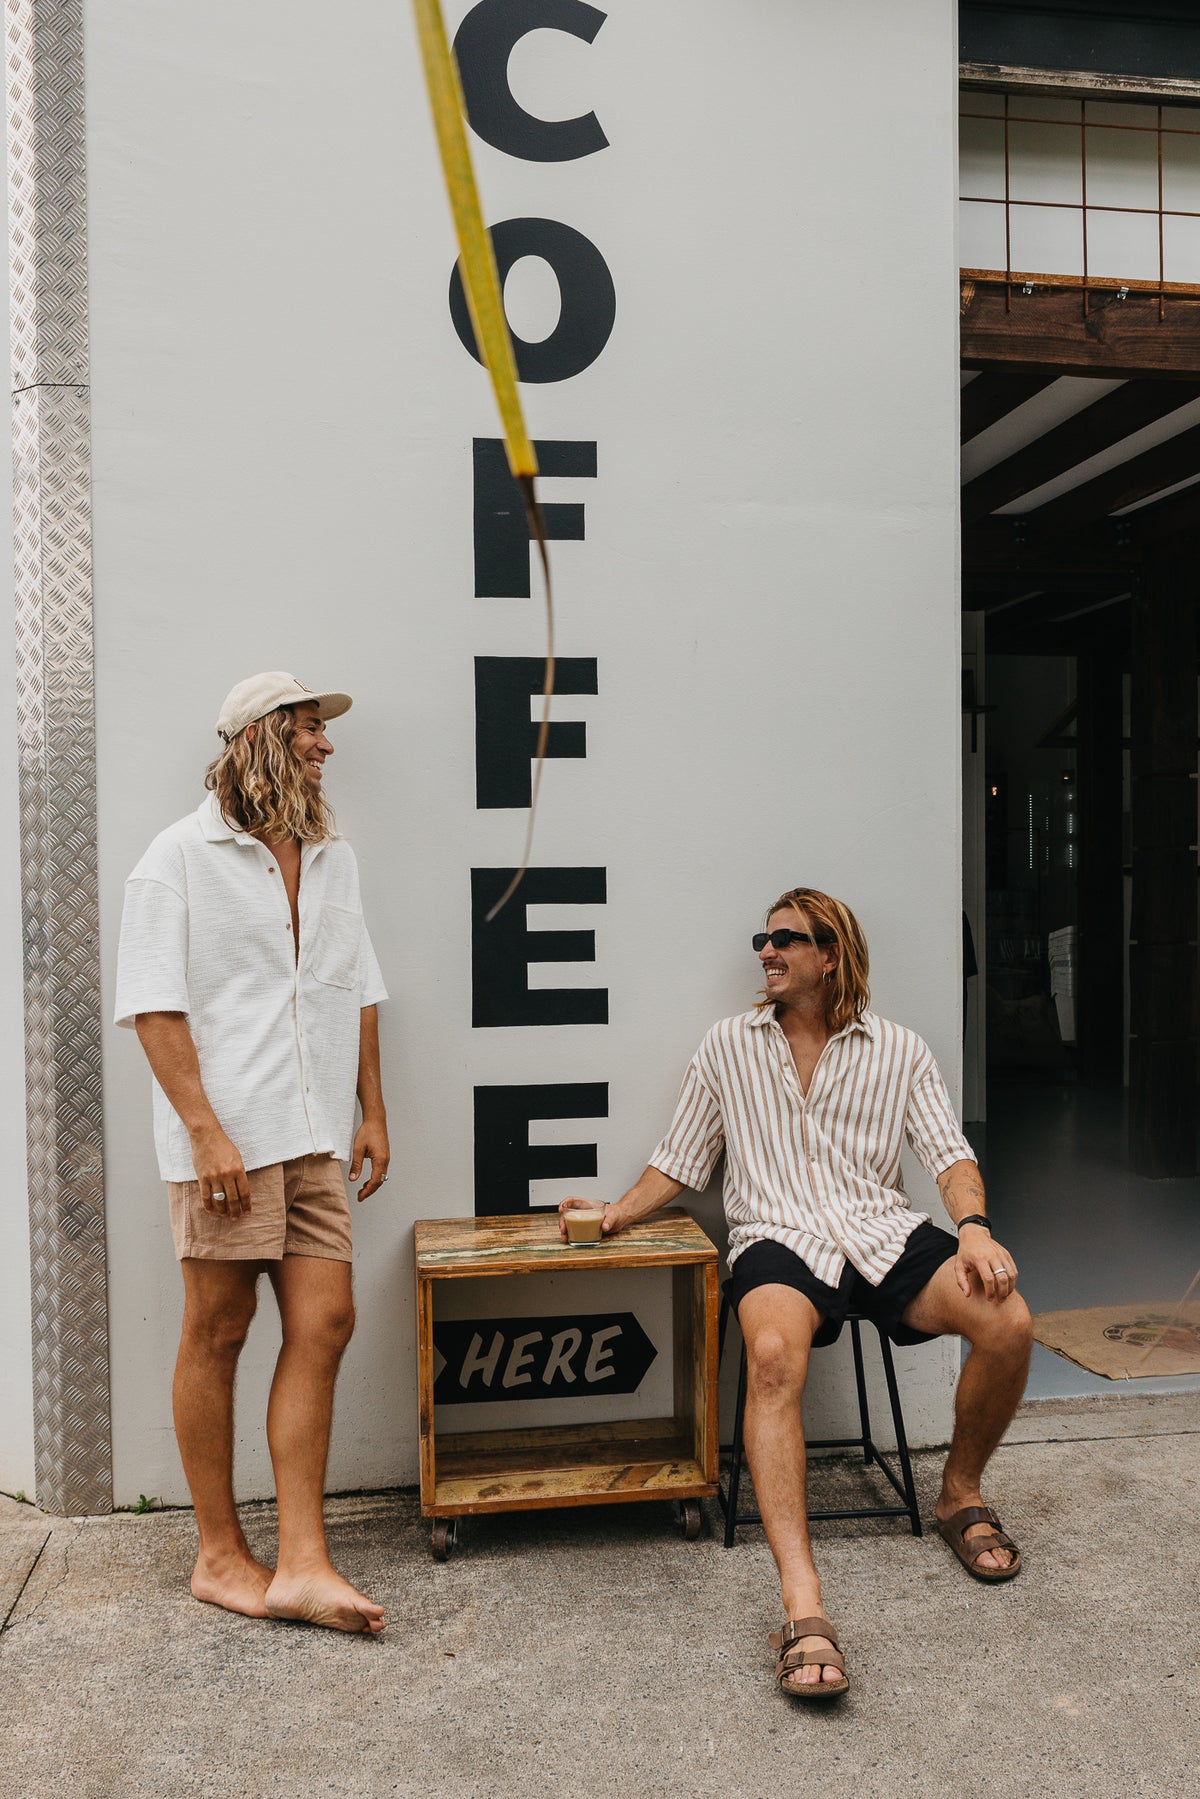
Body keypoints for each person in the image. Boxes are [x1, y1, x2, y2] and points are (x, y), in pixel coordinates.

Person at [559, 886, 1032, 1701]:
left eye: (786, 938)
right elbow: (681, 1159)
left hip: (879, 1230)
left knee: (1009, 1319)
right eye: (763, 938)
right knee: (772, 1355)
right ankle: (803, 1605)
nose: (767, 951)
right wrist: (612, 1214)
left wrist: (976, 1227)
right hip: (779, 1236)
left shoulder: (899, 1050)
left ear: (831, 954)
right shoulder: (728, 1046)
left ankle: (960, 1494)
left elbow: (950, 1157)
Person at [115, 672, 390, 1633]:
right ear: (259, 737)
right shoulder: (177, 859)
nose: (325, 745)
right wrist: (205, 1131)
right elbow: (153, 1007)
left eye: (323, 730)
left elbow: (355, 984)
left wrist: (372, 1109)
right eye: (311, 727)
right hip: (227, 1142)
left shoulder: (332, 854)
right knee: (218, 1331)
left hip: (314, 1136)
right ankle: (220, 1554)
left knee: (327, 1320)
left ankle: (305, 1559)